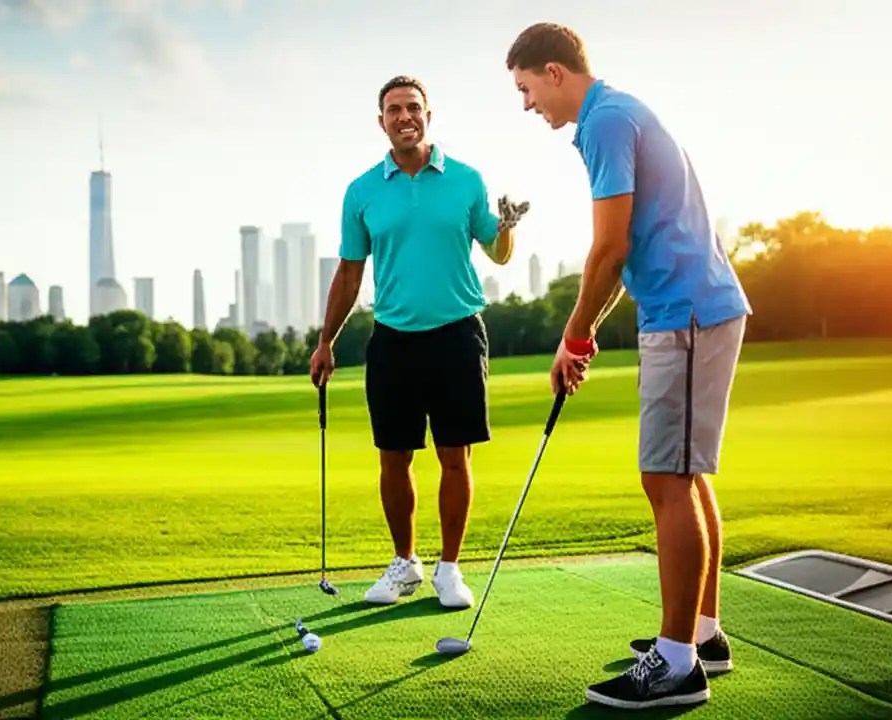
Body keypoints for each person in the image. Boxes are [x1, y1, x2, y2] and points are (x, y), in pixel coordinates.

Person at [504, 23, 751, 710]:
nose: (527, 105)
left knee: (666, 477)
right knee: (683, 475)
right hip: (686, 309)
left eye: (526, 88)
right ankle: (701, 634)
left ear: (554, 72)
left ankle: (677, 665)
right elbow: (623, 253)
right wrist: (582, 337)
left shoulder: (607, 123)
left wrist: (573, 335)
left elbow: (608, 249)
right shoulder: (616, 113)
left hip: (687, 311)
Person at [310, 75, 529, 610]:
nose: (404, 117)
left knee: (455, 455)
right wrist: (325, 341)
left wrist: (506, 227)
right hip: (393, 340)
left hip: (457, 335)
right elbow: (349, 273)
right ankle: (405, 563)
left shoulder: (466, 180)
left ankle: (449, 569)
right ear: (381, 122)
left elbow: (498, 253)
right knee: (393, 458)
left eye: (413, 108)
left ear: (428, 116)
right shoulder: (362, 191)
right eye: (394, 110)